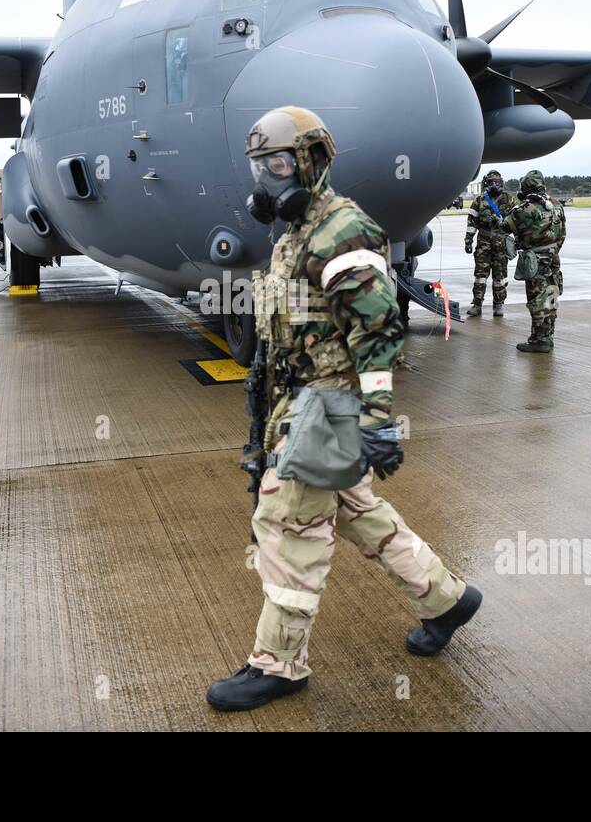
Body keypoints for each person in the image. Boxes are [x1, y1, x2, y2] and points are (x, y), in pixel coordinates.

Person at [206, 106, 482, 712]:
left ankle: (277, 664)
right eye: (260, 166)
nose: (267, 178)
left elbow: (378, 328)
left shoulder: (341, 230)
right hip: (296, 404)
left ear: (311, 163)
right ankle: (446, 599)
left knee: (288, 526)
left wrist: (377, 416)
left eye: (278, 163)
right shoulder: (296, 234)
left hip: (329, 408)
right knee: (358, 512)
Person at [502, 169, 566, 353]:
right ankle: (549, 335)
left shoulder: (522, 209)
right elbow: (562, 234)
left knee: (537, 298)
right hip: (554, 257)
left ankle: (539, 340)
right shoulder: (556, 205)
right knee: (552, 294)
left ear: (526, 187)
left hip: (535, 260)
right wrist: (553, 251)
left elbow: (504, 226)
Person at [463, 170, 518, 317]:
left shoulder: (509, 200)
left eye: (497, 182)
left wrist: (516, 239)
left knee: (500, 276)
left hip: (501, 242)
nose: (495, 185)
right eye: (491, 182)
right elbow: (471, 222)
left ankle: (498, 305)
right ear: (486, 184)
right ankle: (477, 304)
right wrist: (468, 240)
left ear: (502, 183)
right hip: (484, 242)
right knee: (480, 274)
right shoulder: (479, 200)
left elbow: (517, 221)